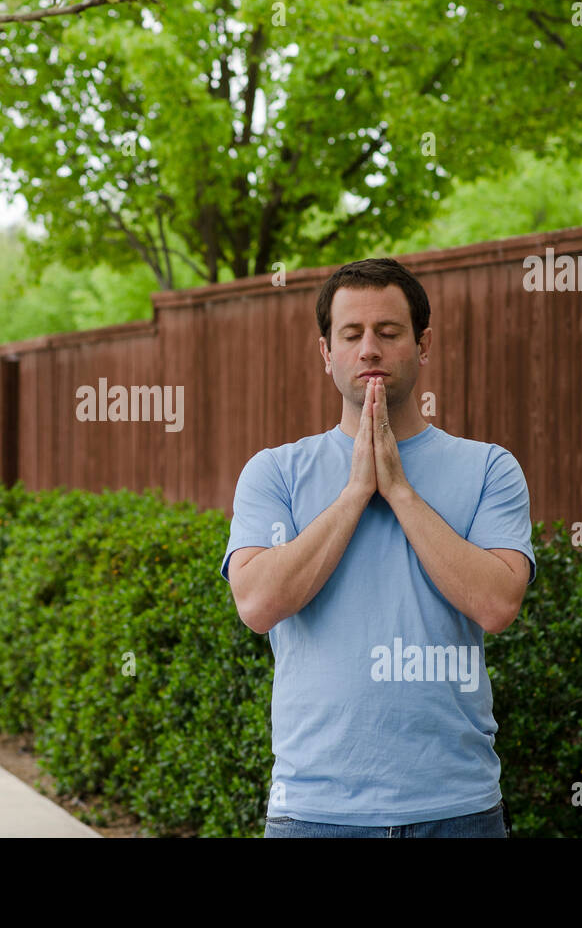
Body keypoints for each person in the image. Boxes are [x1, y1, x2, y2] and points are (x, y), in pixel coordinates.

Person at [220, 257, 536, 838]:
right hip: (313, 812)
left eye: (388, 333)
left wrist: (400, 491)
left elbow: (496, 605)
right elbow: (258, 605)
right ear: (326, 353)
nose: (369, 349)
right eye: (352, 334)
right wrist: (354, 495)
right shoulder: (274, 473)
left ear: (423, 345)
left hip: (457, 807)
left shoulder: (490, 467)